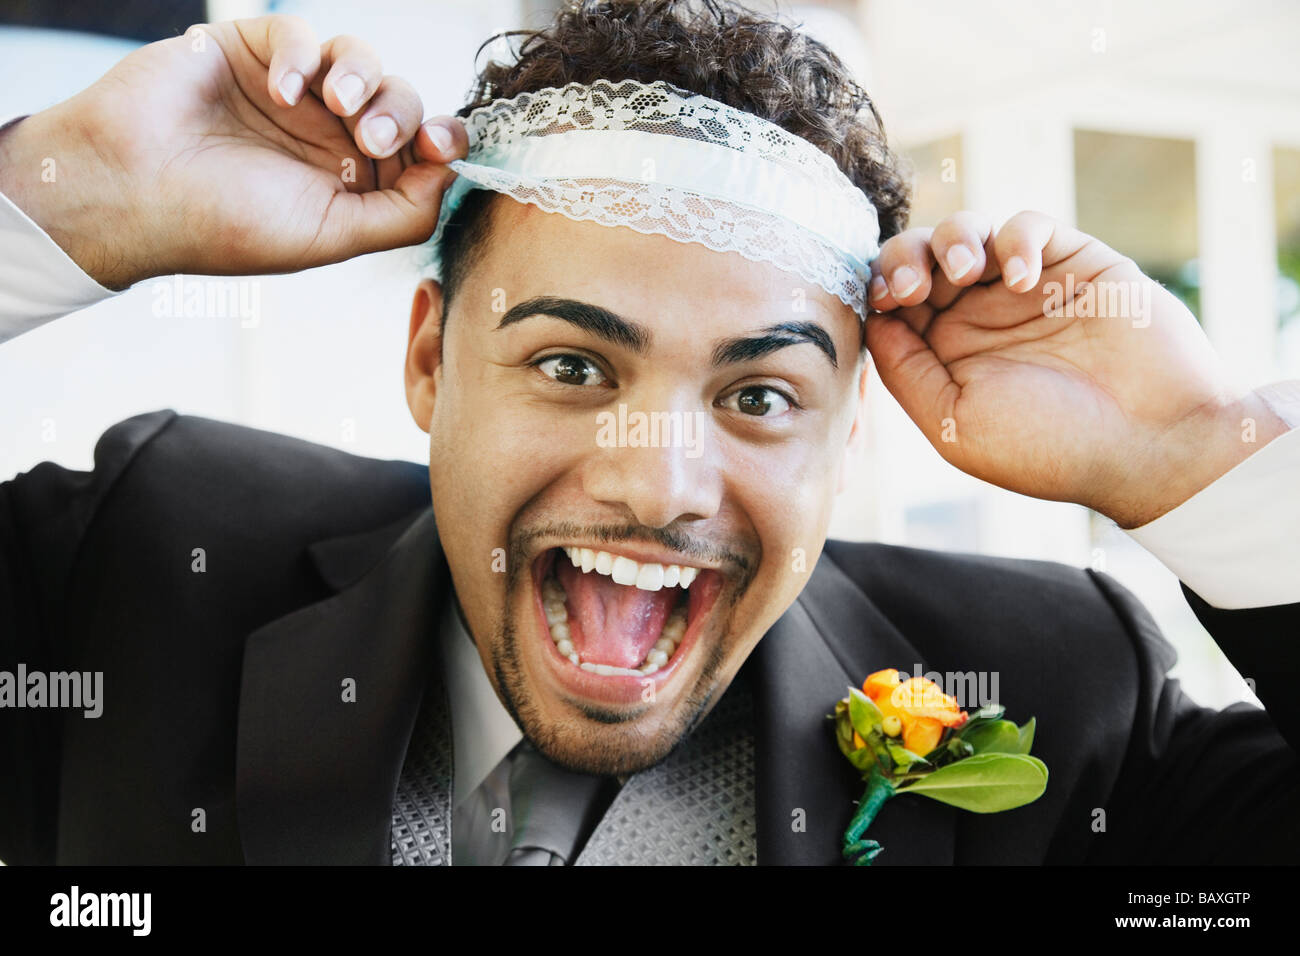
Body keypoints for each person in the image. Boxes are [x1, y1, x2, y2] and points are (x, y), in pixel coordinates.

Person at [1, 0, 1297, 866]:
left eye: (758, 396)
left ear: (847, 435)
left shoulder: (1067, 693)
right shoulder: (142, 550)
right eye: (571, 362)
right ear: (428, 359)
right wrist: (63, 200)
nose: (657, 482)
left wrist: (1201, 461)